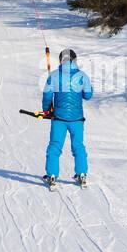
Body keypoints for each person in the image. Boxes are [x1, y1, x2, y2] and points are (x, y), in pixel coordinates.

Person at [42, 49, 94, 189]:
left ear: (61, 60)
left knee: (55, 146)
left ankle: (52, 175)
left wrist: (47, 110)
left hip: (59, 118)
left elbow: (47, 95)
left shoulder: (53, 76)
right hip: (77, 119)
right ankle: (82, 173)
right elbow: (88, 95)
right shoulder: (82, 76)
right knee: (78, 146)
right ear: (74, 60)